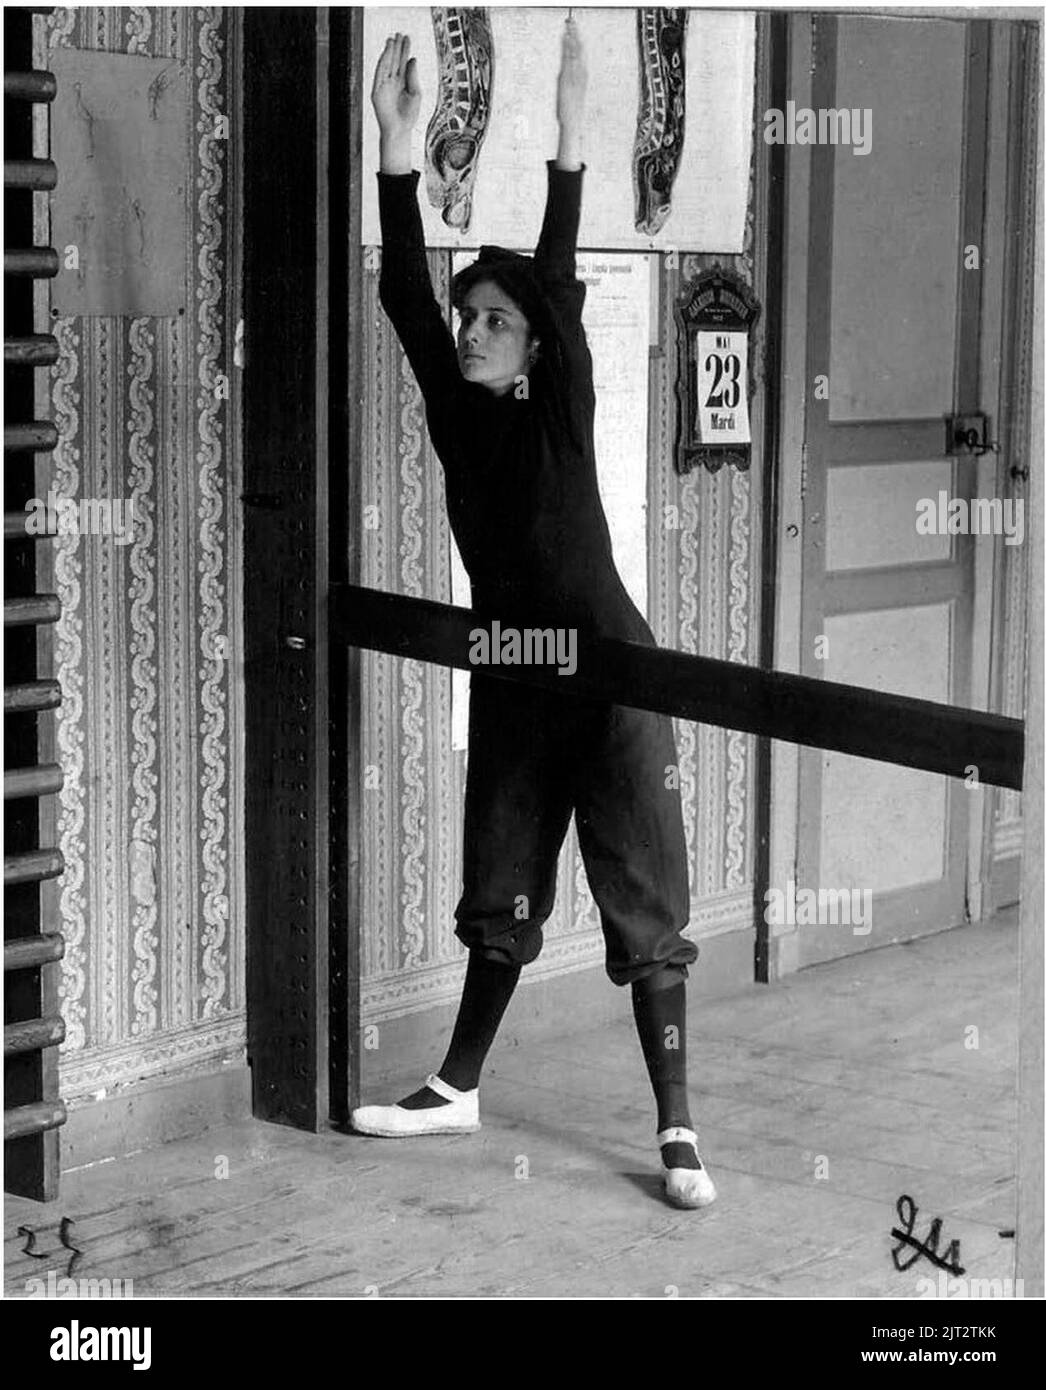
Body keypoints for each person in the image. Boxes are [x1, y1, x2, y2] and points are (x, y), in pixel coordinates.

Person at [351, 22, 715, 1211]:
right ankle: (456, 1085)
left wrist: (569, 142)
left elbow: (554, 276)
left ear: (533, 350)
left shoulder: (556, 401)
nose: (468, 332)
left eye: (491, 324)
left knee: (642, 909)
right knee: (501, 888)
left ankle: (675, 1131)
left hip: (612, 672)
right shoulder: (461, 415)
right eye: (468, 321)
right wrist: (395, 153)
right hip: (513, 666)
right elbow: (404, 292)